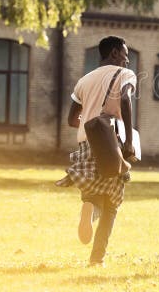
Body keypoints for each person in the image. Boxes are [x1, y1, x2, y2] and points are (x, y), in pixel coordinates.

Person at [56, 36, 137, 266]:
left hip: (85, 143)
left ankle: (89, 210)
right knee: (112, 203)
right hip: (111, 144)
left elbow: (72, 119)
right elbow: (125, 99)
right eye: (125, 55)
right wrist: (129, 140)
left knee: (93, 193)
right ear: (113, 53)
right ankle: (96, 259)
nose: (127, 61)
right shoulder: (125, 75)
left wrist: (90, 121)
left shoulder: (84, 80)